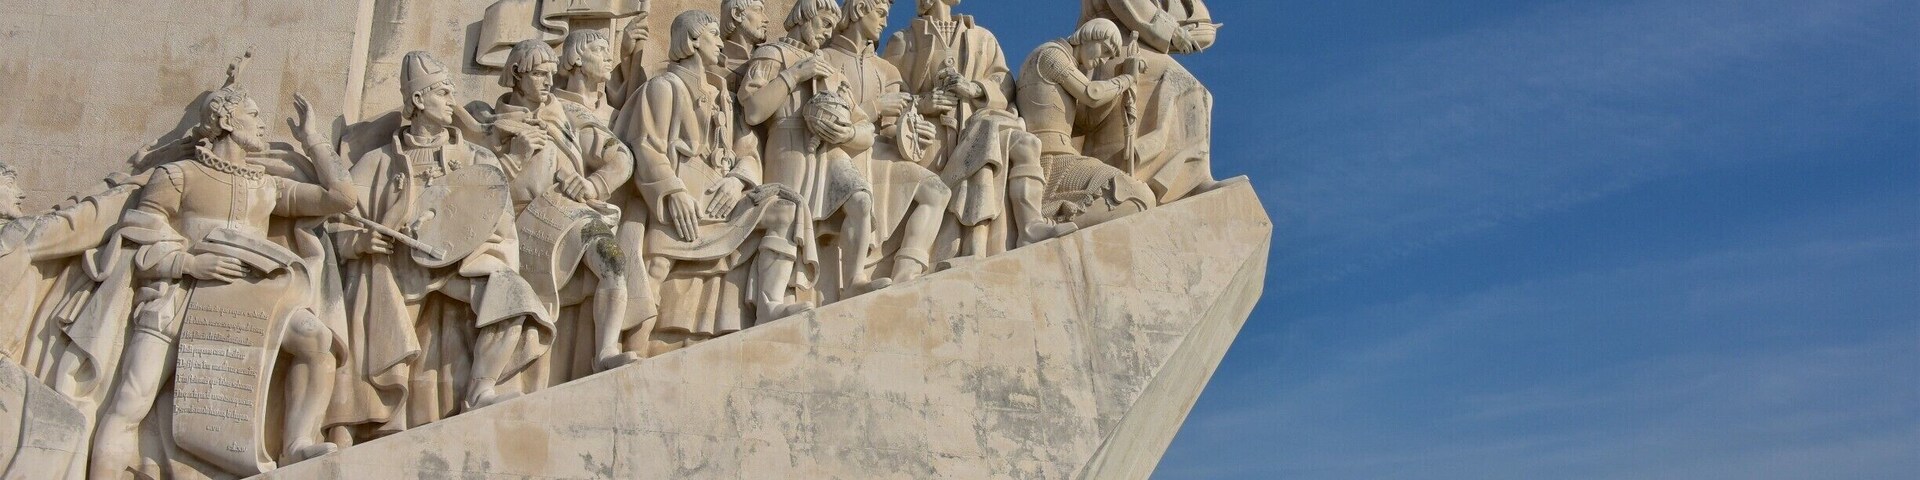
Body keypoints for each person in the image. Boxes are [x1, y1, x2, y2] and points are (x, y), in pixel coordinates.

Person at [90, 72, 356, 477]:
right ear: (228, 122)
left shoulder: (267, 187)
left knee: (316, 339)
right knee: (130, 401)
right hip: (179, 297)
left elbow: (341, 197)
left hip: (249, 302)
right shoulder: (178, 175)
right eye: (254, 115)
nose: (263, 124)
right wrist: (190, 263)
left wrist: (313, 139)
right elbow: (137, 234)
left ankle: (297, 443)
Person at [326, 52, 550, 444]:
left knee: (512, 295)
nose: (453, 101)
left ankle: (481, 388)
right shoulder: (378, 161)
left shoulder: (473, 156)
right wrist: (357, 241)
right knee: (375, 317)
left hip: (458, 264)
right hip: (399, 267)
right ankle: (357, 420)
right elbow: (338, 221)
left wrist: (481, 248)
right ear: (417, 101)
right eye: (444, 93)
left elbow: (496, 214)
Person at [625, 10, 812, 354]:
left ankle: (770, 304)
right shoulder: (664, 87)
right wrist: (672, 190)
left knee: (786, 209)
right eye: (713, 34)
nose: (720, 42)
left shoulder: (722, 96)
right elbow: (646, 145)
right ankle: (629, 348)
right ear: (693, 41)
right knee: (656, 265)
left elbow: (747, 150)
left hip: (721, 196)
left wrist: (738, 180)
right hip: (683, 199)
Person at [885, 0, 1073, 257]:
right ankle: (964, 248)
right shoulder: (905, 41)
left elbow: (1004, 83)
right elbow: (889, 95)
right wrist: (922, 103)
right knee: (987, 144)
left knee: (1025, 143)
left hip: (980, 123)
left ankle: (1030, 224)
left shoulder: (982, 37)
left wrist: (974, 88)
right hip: (935, 143)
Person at [738, 0, 890, 302]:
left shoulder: (832, 71)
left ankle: (856, 278)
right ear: (804, 17)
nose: (828, 33)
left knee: (860, 199)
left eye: (833, 26)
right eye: (824, 23)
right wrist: (795, 74)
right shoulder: (773, 54)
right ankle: (773, 300)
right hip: (789, 146)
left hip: (830, 151)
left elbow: (864, 127)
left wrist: (848, 132)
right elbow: (753, 111)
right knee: (790, 218)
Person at [821, 0, 952, 282]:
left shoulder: (887, 71)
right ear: (858, 11)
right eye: (879, 14)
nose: (884, 22)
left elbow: (892, 130)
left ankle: (905, 275)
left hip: (879, 154)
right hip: (839, 153)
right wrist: (877, 106)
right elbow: (827, 119)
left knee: (936, 191)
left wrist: (915, 134)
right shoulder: (825, 59)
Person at [1080, 0, 1232, 203]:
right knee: (1187, 87)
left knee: (1196, 92)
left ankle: (1192, 177)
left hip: (1136, 43)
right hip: (1111, 46)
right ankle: (1181, 179)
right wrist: (1173, 33)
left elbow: (1193, 19)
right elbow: (1130, 7)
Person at [1016, 19, 1158, 229]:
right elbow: (1091, 93)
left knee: (1140, 198)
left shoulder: (1068, 65)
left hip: (1062, 156)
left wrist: (1121, 82)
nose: (1103, 60)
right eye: (1105, 49)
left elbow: (1086, 121)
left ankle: (1055, 223)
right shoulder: (1051, 55)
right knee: (1137, 196)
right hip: (1051, 158)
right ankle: (1050, 225)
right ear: (1090, 35)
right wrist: (1127, 78)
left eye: (1110, 56)